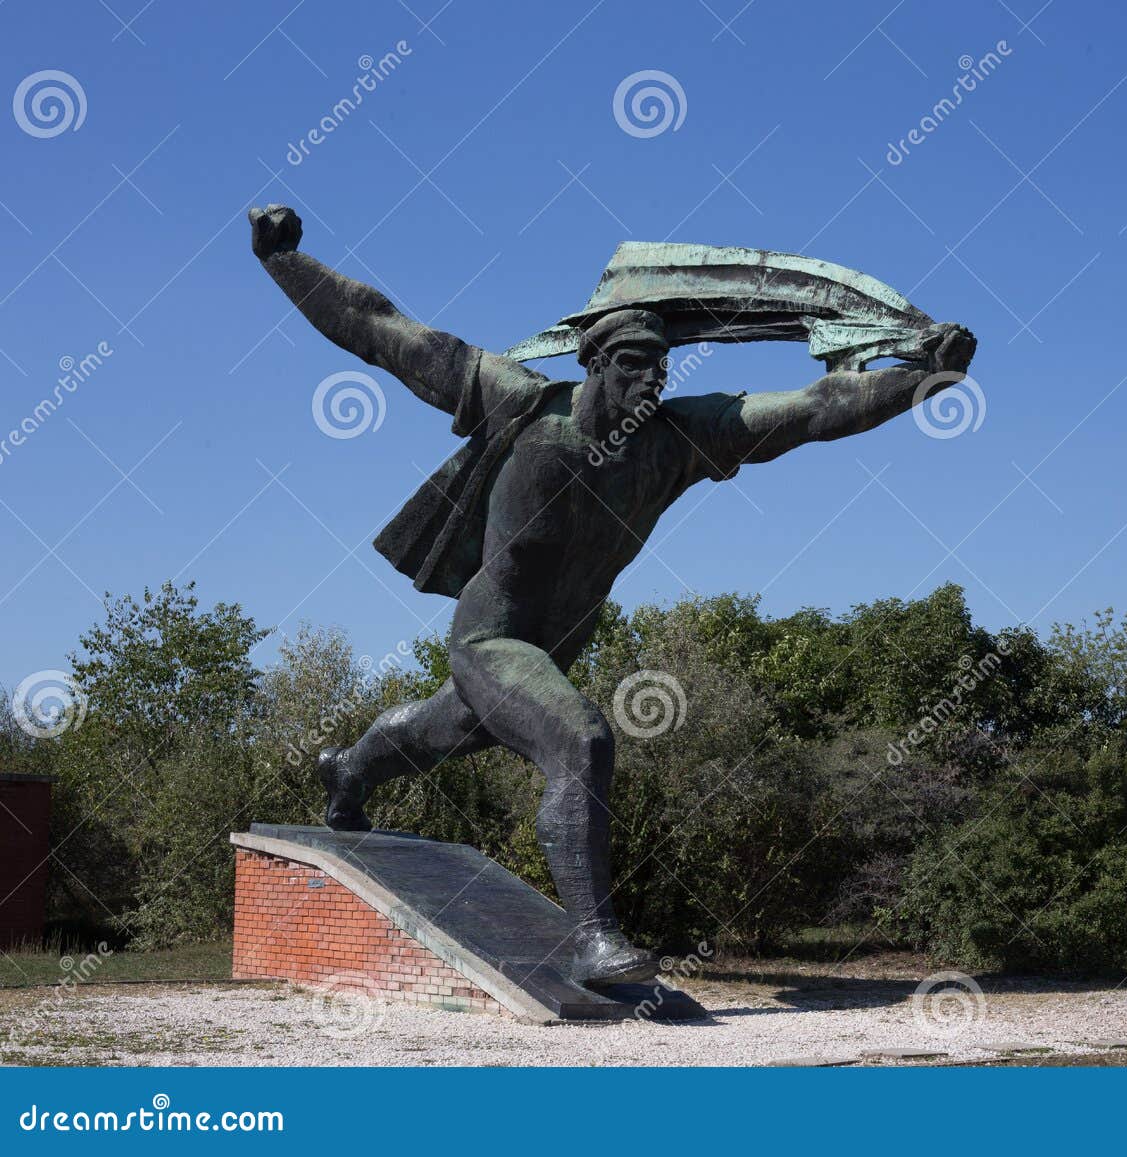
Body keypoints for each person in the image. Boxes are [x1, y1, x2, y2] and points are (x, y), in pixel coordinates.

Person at [248, 204, 978, 985]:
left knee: (439, 732)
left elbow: (812, 410)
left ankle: (347, 770)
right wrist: (284, 261)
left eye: (660, 369)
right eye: (633, 364)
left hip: (549, 653)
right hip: (491, 640)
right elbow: (382, 329)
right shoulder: (522, 401)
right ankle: (596, 944)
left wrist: (920, 377)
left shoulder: (673, 443)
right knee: (582, 740)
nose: (651, 380)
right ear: (594, 361)